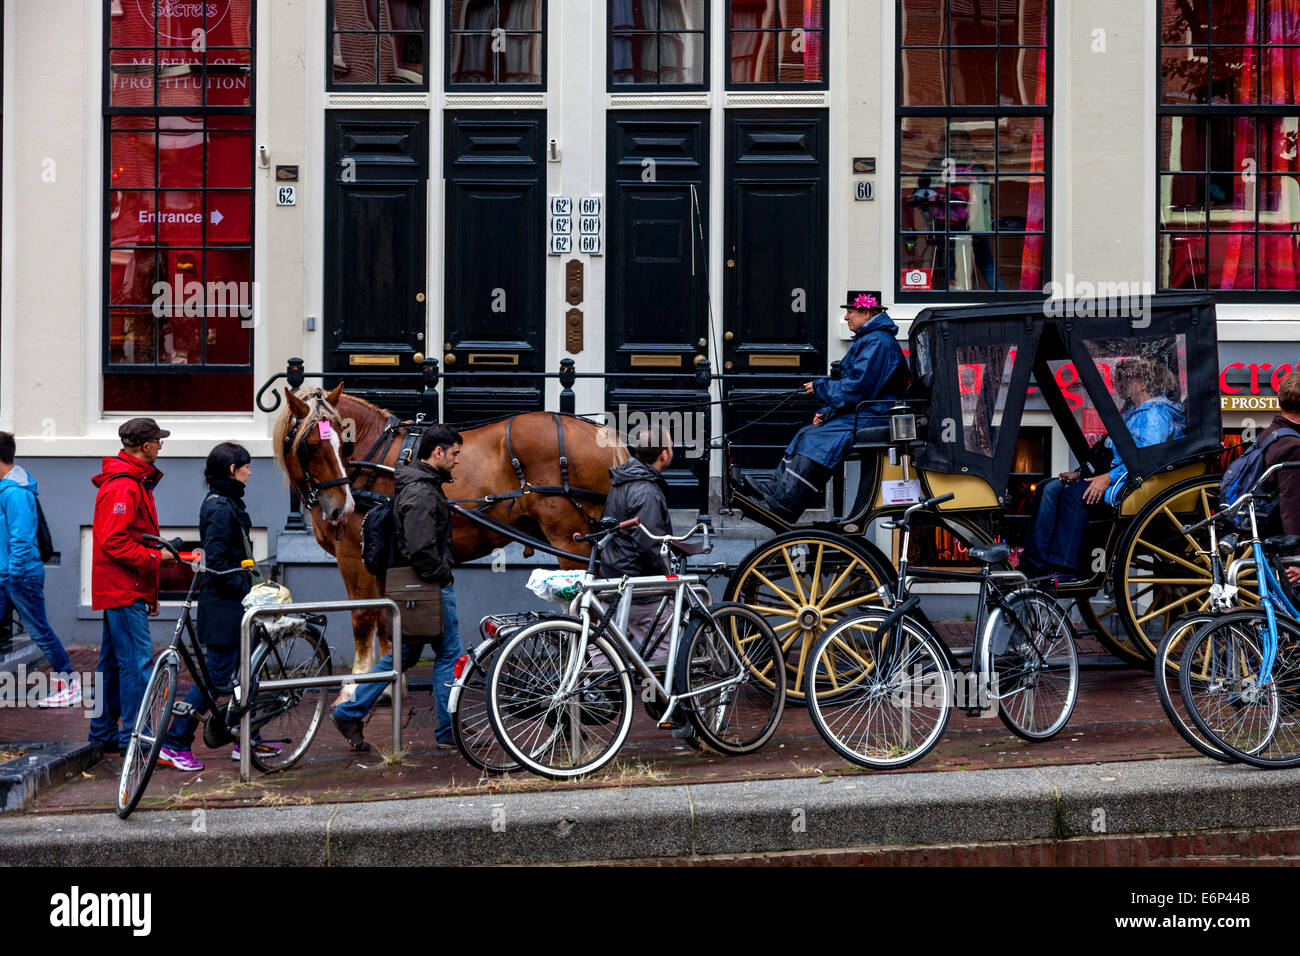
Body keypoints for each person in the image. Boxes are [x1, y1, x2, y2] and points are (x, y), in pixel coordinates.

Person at [332, 425, 463, 752]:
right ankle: (448, 730)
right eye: (455, 454)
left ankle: (349, 711)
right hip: (427, 587)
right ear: (438, 453)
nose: (458, 461)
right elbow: (420, 548)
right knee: (450, 653)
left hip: (412, 588)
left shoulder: (420, 485)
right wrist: (443, 573)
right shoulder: (420, 492)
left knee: (401, 655)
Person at [742, 293, 908, 522]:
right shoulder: (871, 339)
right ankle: (776, 493)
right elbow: (860, 388)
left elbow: (858, 387)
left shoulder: (878, 342)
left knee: (816, 439)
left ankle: (785, 506)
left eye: (851, 311)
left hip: (875, 415)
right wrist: (827, 411)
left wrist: (821, 387)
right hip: (868, 411)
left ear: (866, 313)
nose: (846, 316)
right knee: (806, 433)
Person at [1022, 358, 1186, 580]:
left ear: (1143, 383)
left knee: (1075, 494)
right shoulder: (1133, 413)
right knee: (1047, 487)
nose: (1120, 385)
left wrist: (1108, 478)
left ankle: (1064, 567)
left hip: (1136, 484)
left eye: (1126, 379)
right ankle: (1035, 563)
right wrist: (1082, 472)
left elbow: (1147, 460)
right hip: (1121, 476)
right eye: (1118, 379)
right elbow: (1107, 452)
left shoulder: (1153, 416)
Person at [157, 443, 258, 772]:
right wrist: (246, 587)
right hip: (224, 607)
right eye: (246, 466)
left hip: (234, 604)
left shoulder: (228, 502)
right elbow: (217, 561)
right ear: (232, 469)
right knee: (214, 681)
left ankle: (244, 738)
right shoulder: (219, 508)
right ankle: (174, 742)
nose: (250, 471)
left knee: (243, 674)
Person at [88, 418, 177, 755]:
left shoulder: (131, 481)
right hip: (123, 588)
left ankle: (103, 734)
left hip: (124, 587)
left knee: (112, 663)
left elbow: (125, 539)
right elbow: (114, 541)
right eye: (158, 441)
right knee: (137, 662)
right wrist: (157, 562)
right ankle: (135, 739)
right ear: (145, 446)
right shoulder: (126, 486)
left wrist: (149, 590)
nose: (161, 446)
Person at [0, 432, 79, 706]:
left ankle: (70, 683)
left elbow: (20, 539)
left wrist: (14, 574)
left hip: (19, 577)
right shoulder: (7, 489)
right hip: (8, 575)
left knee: (40, 632)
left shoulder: (15, 493)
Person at [600, 423, 675, 665]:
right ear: (664, 454)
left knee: (604, 649)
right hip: (637, 589)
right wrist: (668, 576)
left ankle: (600, 691)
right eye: (671, 446)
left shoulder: (622, 480)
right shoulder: (647, 492)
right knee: (668, 635)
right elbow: (649, 546)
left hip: (612, 578)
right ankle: (659, 693)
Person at [1260, 370, 1300, 587]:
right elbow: (1292, 504)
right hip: (1282, 543)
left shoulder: (1270, 434)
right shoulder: (1293, 445)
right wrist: (1297, 557)